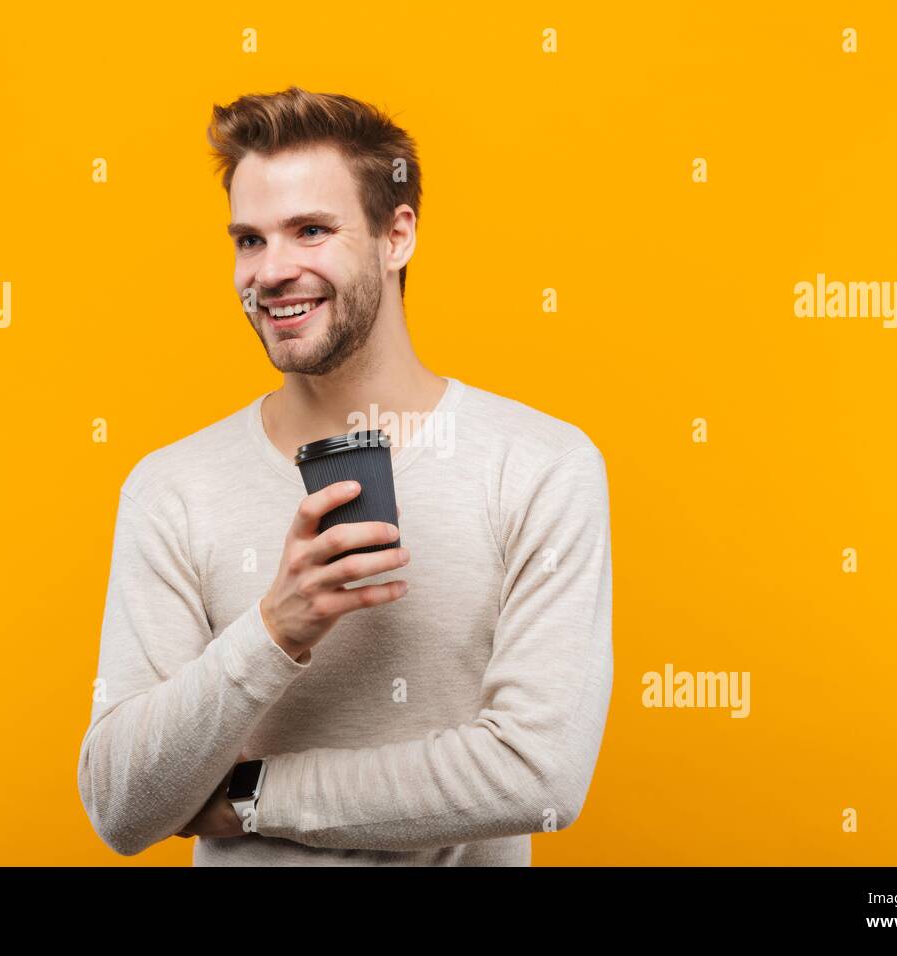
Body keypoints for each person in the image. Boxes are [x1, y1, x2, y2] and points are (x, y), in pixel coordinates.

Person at [77, 86, 614, 865]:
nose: (271, 272)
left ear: (397, 236)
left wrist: (254, 797)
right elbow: (122, 807)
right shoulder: (171, 488)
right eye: (250, 241)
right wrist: (275, 630)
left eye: (311, 231)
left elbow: (539, 776)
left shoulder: (540, 466)